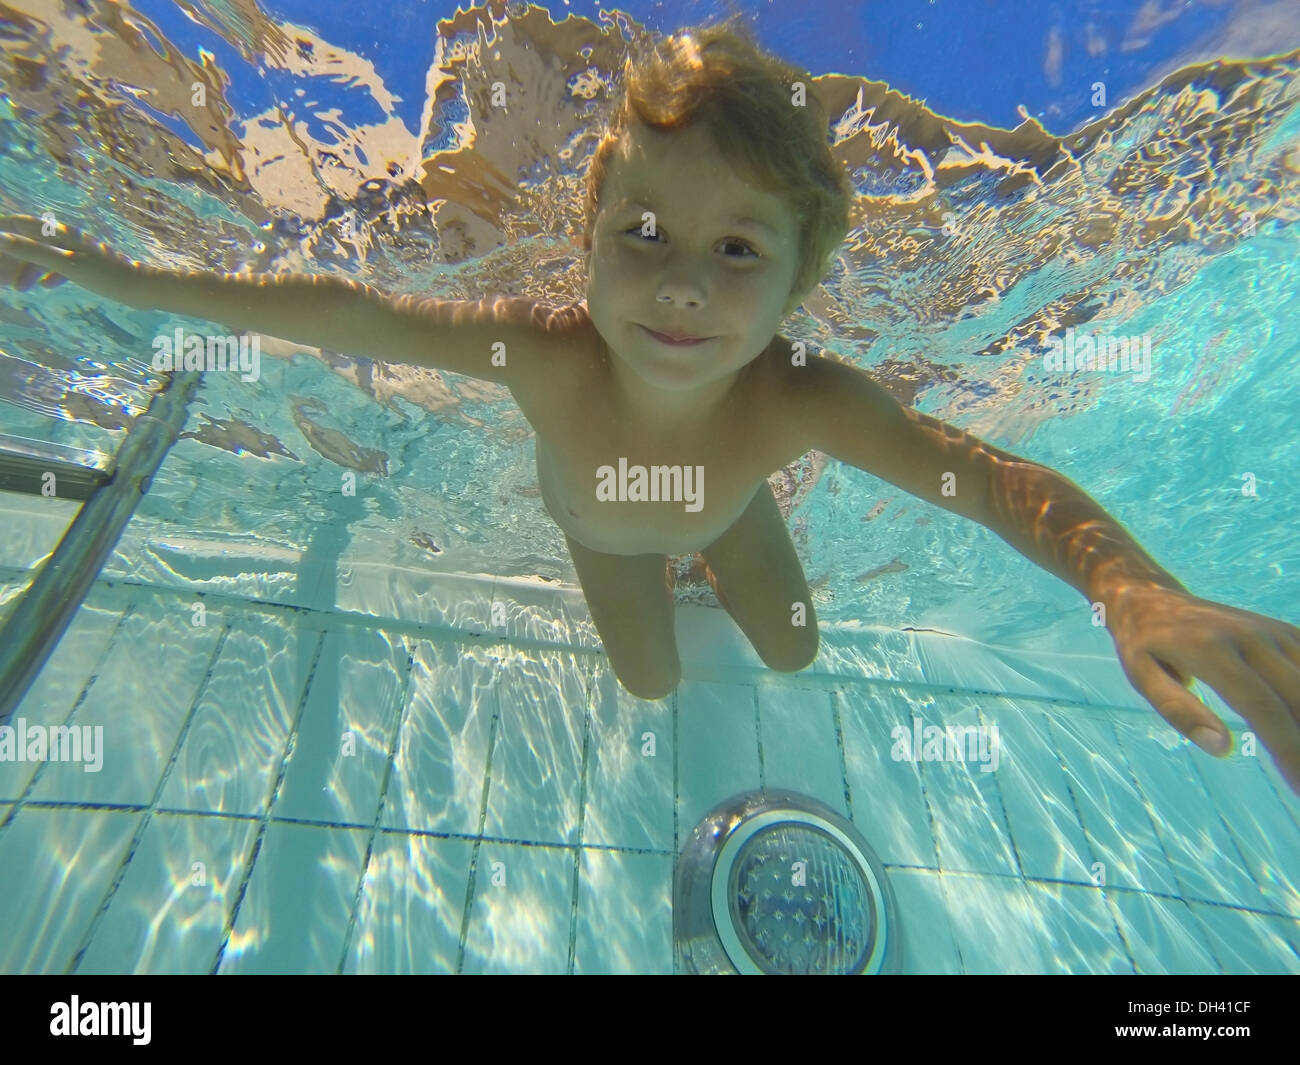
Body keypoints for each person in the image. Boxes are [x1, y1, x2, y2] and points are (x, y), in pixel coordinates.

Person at [2, 21, 1298, 794]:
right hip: (606, 532)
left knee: (795, 652)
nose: (681, 283)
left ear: (804, 281)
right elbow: (343, 312)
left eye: (739, 252)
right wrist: (113, 267)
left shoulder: (802, 399)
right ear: (586, 238)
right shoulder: (544, 352)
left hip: (732, 512)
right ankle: (673, 581)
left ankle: (716, 559)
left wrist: (1125, 585)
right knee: (648, 678)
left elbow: (994, 478)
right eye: (644, 232)